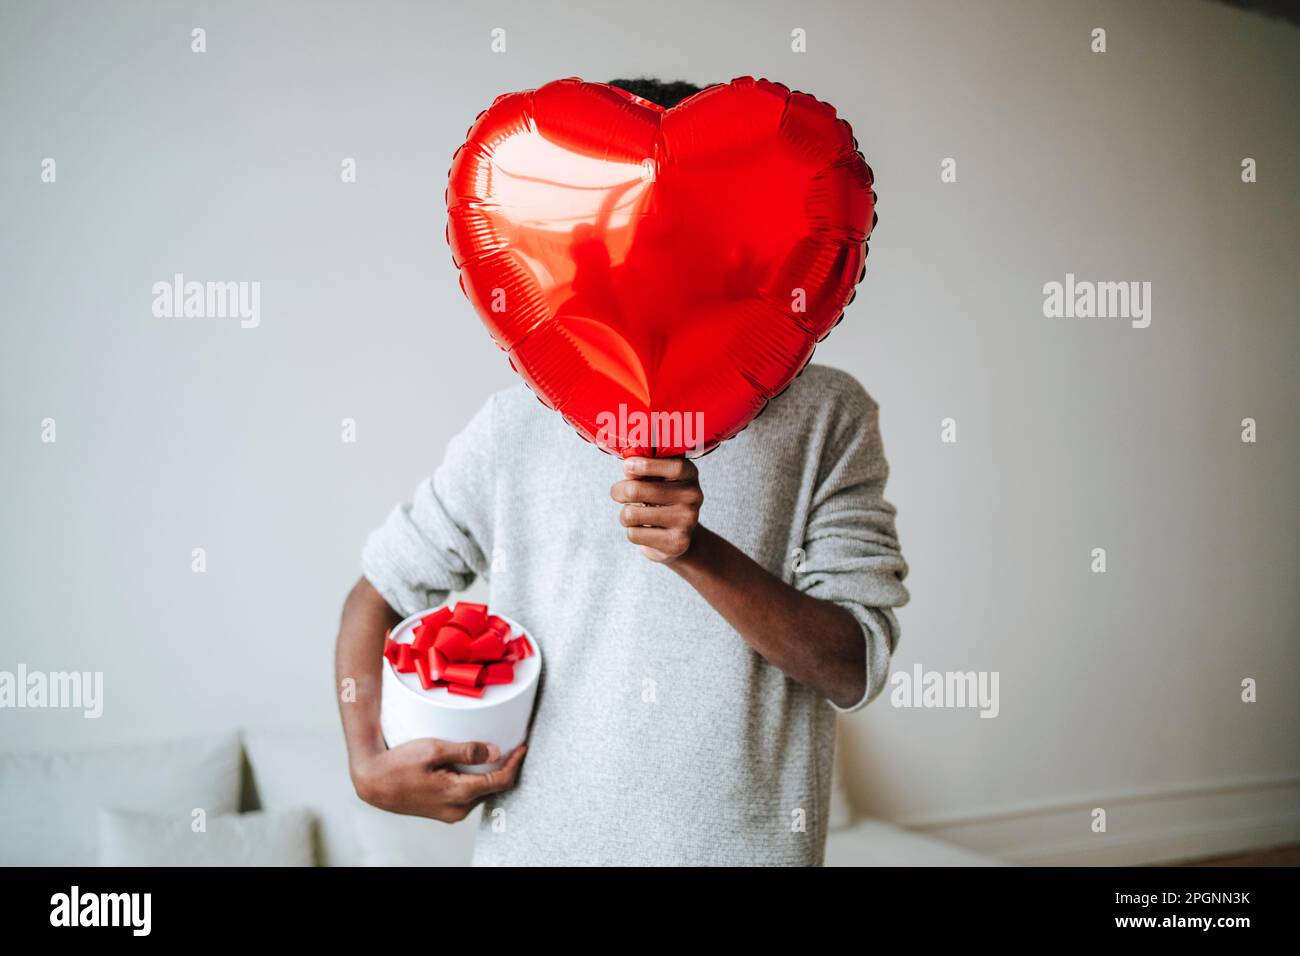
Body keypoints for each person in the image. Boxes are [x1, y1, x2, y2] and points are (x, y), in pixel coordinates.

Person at [335, 77, 909, 866]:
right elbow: (376, 596)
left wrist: (699, 553)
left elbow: (855, 665)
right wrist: (367, 762)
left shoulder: (829, 417)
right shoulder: (514, 426)